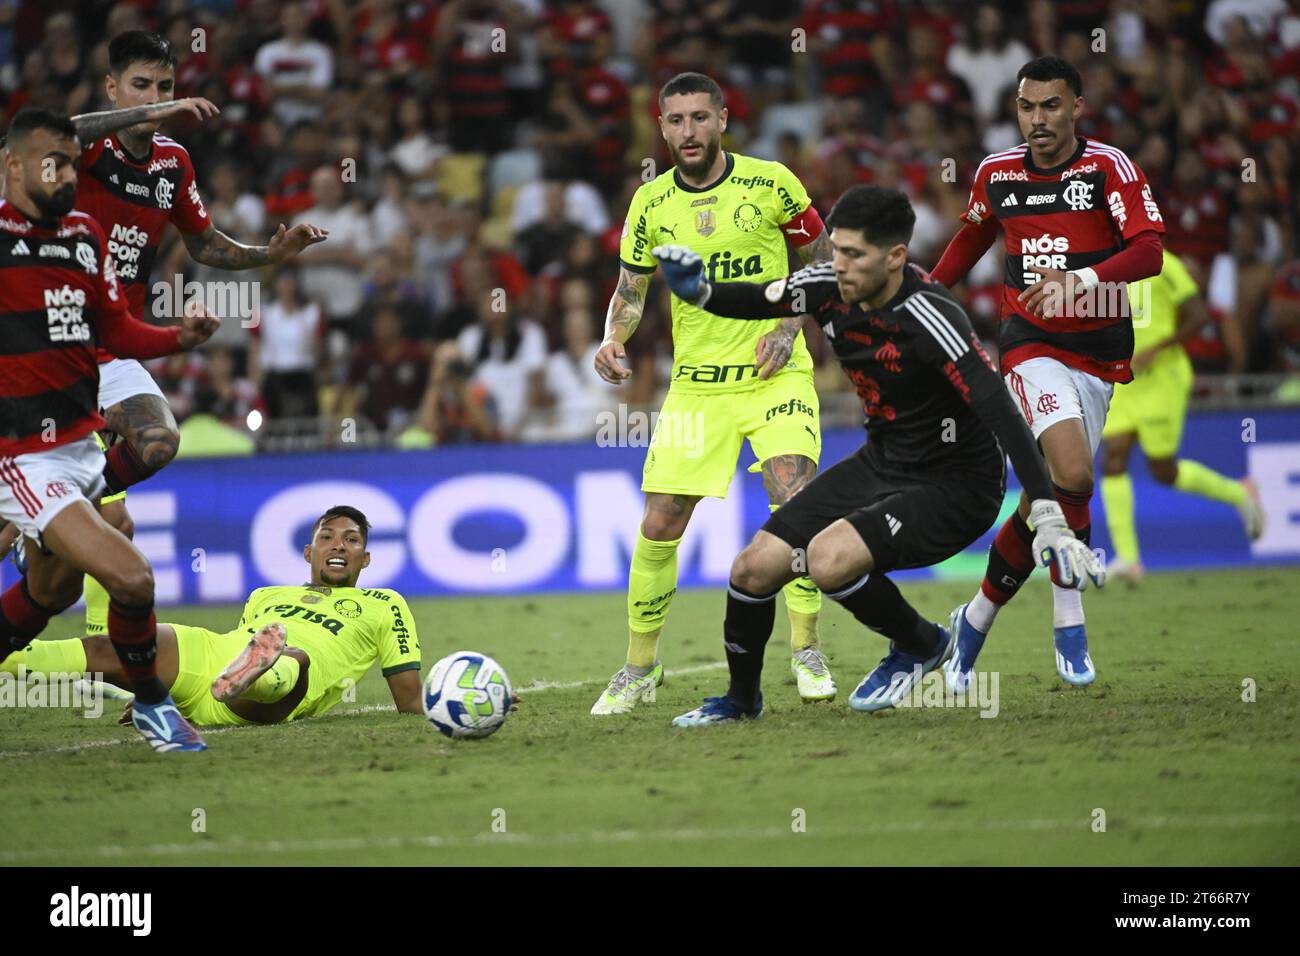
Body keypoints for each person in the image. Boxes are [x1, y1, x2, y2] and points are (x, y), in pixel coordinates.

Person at [649, 185, 1102, 726]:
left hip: (957, 484)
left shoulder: (933, 315)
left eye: (853, 255)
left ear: (894, 257)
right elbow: (758, 298)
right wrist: (700, 290)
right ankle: (740, 703)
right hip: (884, 461)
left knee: (827, 558)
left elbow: (999, 408)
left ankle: (920, 643)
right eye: (835, 249)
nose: (838, 265)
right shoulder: (826, 285)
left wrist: (1047, 510)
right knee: (752, 568)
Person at [59, 30, 326, 639]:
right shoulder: (88, 151)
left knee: (157, 442)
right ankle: (48, 526)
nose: (157, 98)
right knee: (111, 534)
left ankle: (60, 507)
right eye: (141, 86)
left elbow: (205, 243)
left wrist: (269, 254)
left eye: (165, 87)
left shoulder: (172, 163)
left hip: (113, 344)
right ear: (112, 87)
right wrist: (152, 114)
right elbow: (53, 135)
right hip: (48, 341)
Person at [590, 71, 836, 715]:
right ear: (662, 127)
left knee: (794, 500)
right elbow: (631, 289)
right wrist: (613, 338)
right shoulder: (650, 203)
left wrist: (788, 327)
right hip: (697, 388)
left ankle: (806, 649)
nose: (688, 131)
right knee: (660, 522)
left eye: (700, 117)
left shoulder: (772, 181)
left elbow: (824, 255)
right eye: (676, 120)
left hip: (775, 376)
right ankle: (640, 668)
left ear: (723, 119)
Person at [930, 56, 1165, 688]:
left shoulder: (1107, 168)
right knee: (1073, 471)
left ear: (1077, 107)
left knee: (1054, 496)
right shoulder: (996, 174)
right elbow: (971, 241)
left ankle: (974, 617)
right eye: (1027, 107)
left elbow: (1149, 251)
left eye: (1051, 106)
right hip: (1027, 343)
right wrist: (919, 296)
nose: (1037, 120)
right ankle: (1069, 618)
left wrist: (1081, 279)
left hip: (1099, 351)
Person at [0, 108, 219, 752]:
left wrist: (178, 338)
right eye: (52, 161)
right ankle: (155, 707)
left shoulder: (84, 235)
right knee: (132, 577)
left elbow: (116, 330)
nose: (66, 173)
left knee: (49, 589)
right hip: (23, 456)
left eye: (71, 162)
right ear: (11, 164)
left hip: (79, 447)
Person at [5, 507, 429, 729]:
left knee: (293, 658)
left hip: (276, 694)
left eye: (351, 540)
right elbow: (234, 637)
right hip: (214, 659)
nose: (338, 545)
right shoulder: (266, 595)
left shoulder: (384, 603)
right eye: (327, 537)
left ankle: (257, 669)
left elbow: (408, 701)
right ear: (308, 552)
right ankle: (9, 651)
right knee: (112, 648)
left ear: (366, 558)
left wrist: (447, 708)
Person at [1099, 250, 1265, 581]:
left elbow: (1198, 316)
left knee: (1163, 469)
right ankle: (1129, 560)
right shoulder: (1101, 265)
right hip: (1124, 377)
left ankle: (1238, 493)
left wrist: (1158, 346)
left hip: (1162, 377)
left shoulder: (1164, 263)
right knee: (1112, 458)